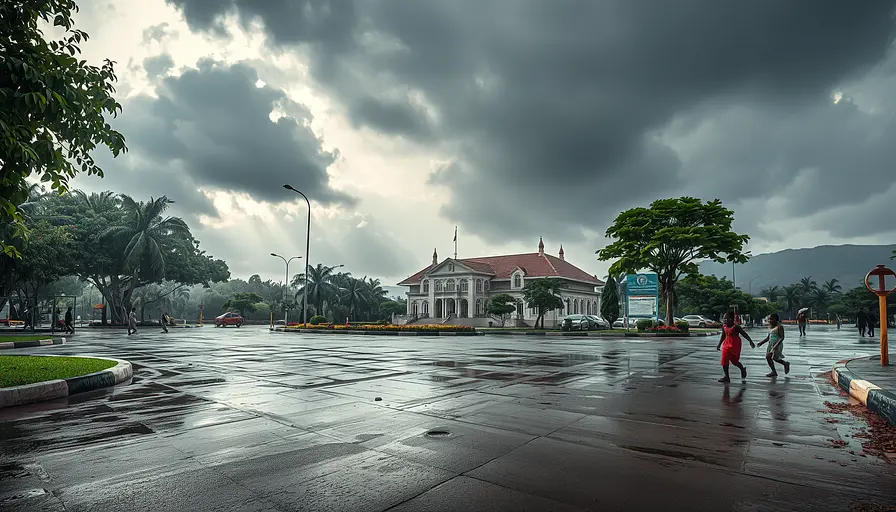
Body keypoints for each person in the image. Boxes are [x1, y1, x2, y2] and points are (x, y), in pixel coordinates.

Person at [717, 311, 755, 383]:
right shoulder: (724, 326)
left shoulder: (736, 327)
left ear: (732, 319)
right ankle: (726, 377)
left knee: (734, 361)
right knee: (724, 359)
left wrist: (750, 341)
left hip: (735, 345)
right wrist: (719, 344)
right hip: (726, 344)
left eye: (727, 318)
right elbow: (723, 336)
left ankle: (742, 369)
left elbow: (744, 334)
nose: (725, 320)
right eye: (724, 319)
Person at [757, 313, 790, 377]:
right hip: (770, 344)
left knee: (773, 357)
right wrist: (761, 342)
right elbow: (768, 338)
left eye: (771, 319)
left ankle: (784, 364)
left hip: (777, 344)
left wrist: (776, 345)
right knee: (769, 357)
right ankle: (775, 371)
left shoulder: (779, 327)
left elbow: (782, 337)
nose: (770, 320)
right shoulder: (770, 328)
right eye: (769, 319)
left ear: (776, 319)